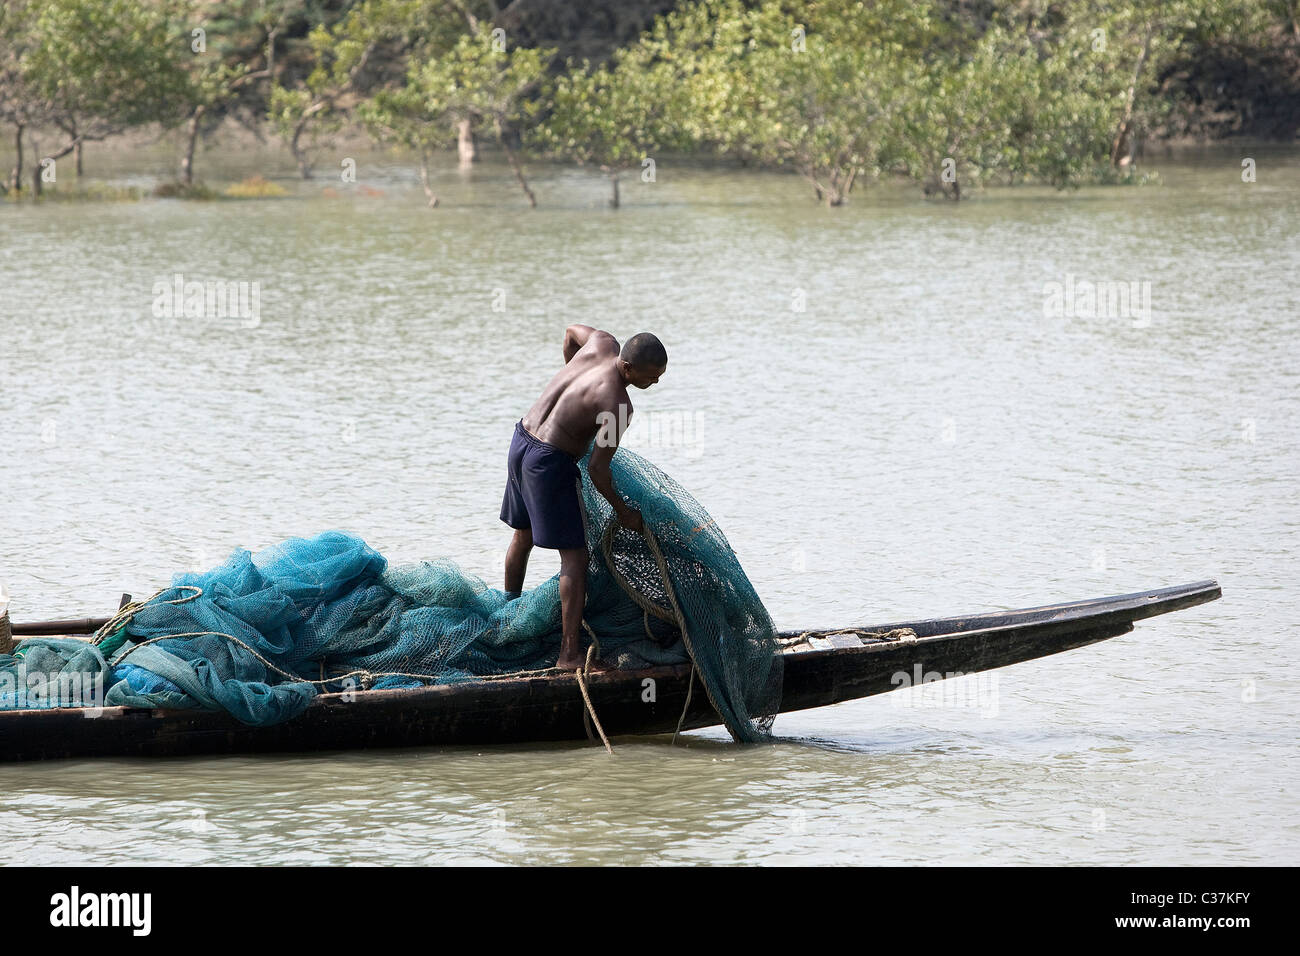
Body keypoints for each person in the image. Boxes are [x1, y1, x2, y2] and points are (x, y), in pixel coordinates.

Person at [500, 325, 667, 670]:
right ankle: (569, 654)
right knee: (575, 559)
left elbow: (569, 332)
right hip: (550, 462)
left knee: (524, 535)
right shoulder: (619, 405)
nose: (655, 384)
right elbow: (597, 470)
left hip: (521, 439)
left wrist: (568, 367)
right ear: (627, 368)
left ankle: (506, 614)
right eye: (651, 377)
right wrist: (625, 512)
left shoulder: (601, 341)